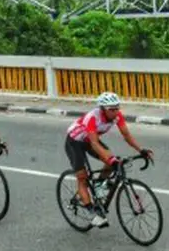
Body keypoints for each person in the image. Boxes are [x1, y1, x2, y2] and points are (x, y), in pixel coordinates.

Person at [65, 92, 152, 228]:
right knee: (82, 177)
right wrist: (110, 159)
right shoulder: (92, 118)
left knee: (112, 162)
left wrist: (141, 150)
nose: (115, 112)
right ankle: (91, 212)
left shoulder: (117, 116)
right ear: (102, 109)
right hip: (75, 141)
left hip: (89, 140)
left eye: (117, 108)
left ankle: (99, 186)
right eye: (111, 109)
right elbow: (94, 143)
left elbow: (127, 135)